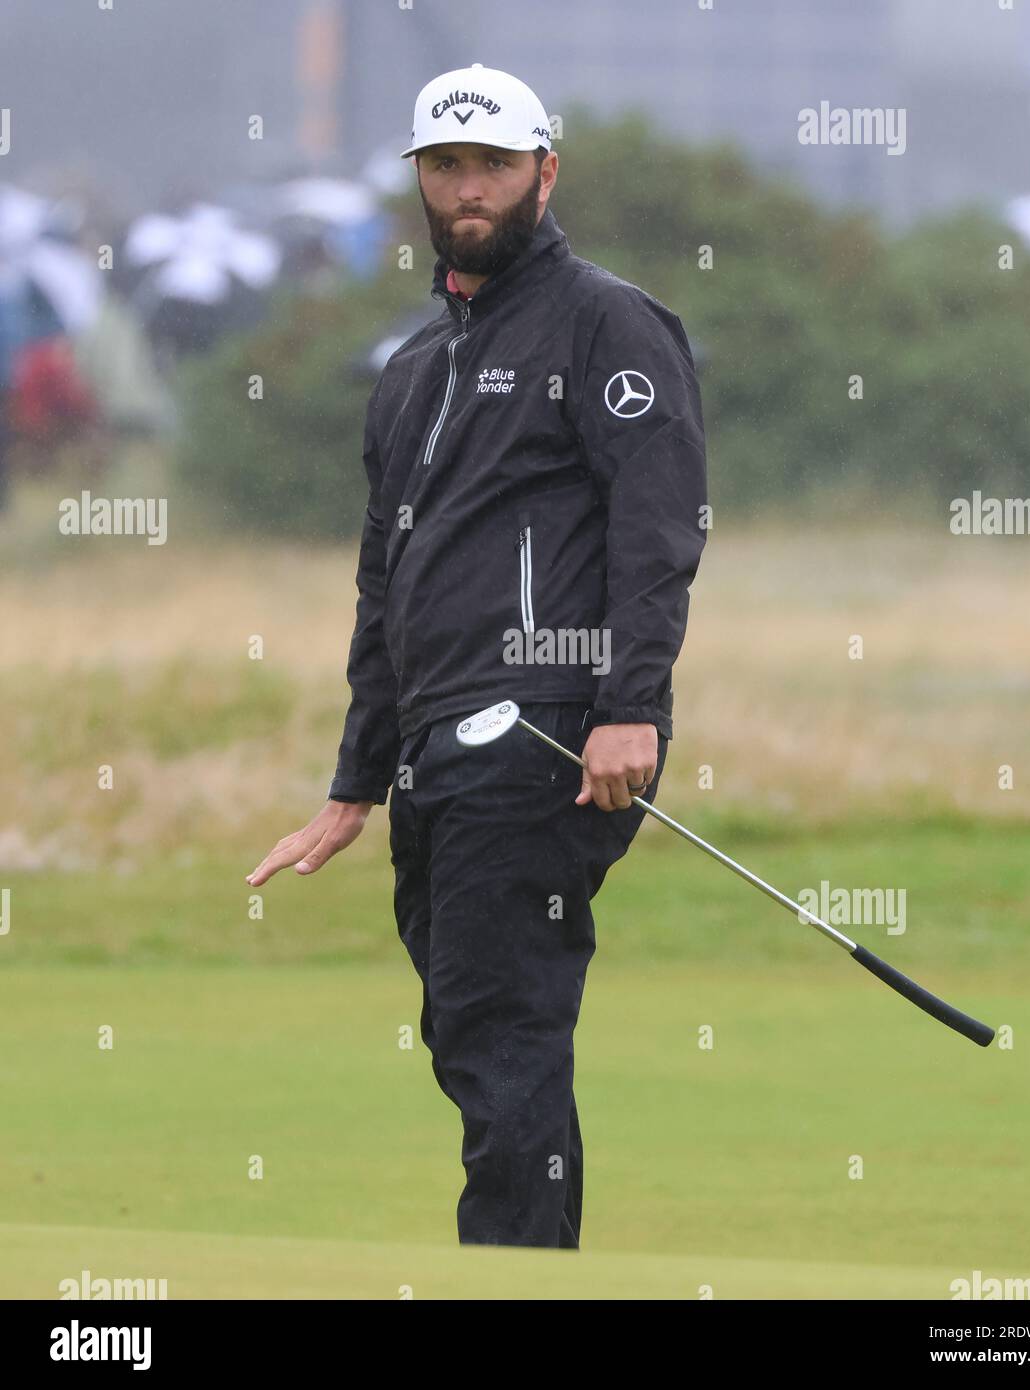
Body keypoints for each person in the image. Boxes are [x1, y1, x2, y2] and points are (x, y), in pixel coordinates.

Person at [247, 63, 707, 1249]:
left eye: (493, 166)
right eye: (445, 167)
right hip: (436, 752)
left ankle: (512, 1274)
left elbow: (656, 532)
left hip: (552, 731)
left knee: (499, 1020)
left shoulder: (611, 322)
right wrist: (356, 778)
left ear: (543, 174)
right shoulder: (410, 371)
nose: (468, 190)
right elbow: (382, 589)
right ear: (417, 179)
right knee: (467, 1022)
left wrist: (631, 706)